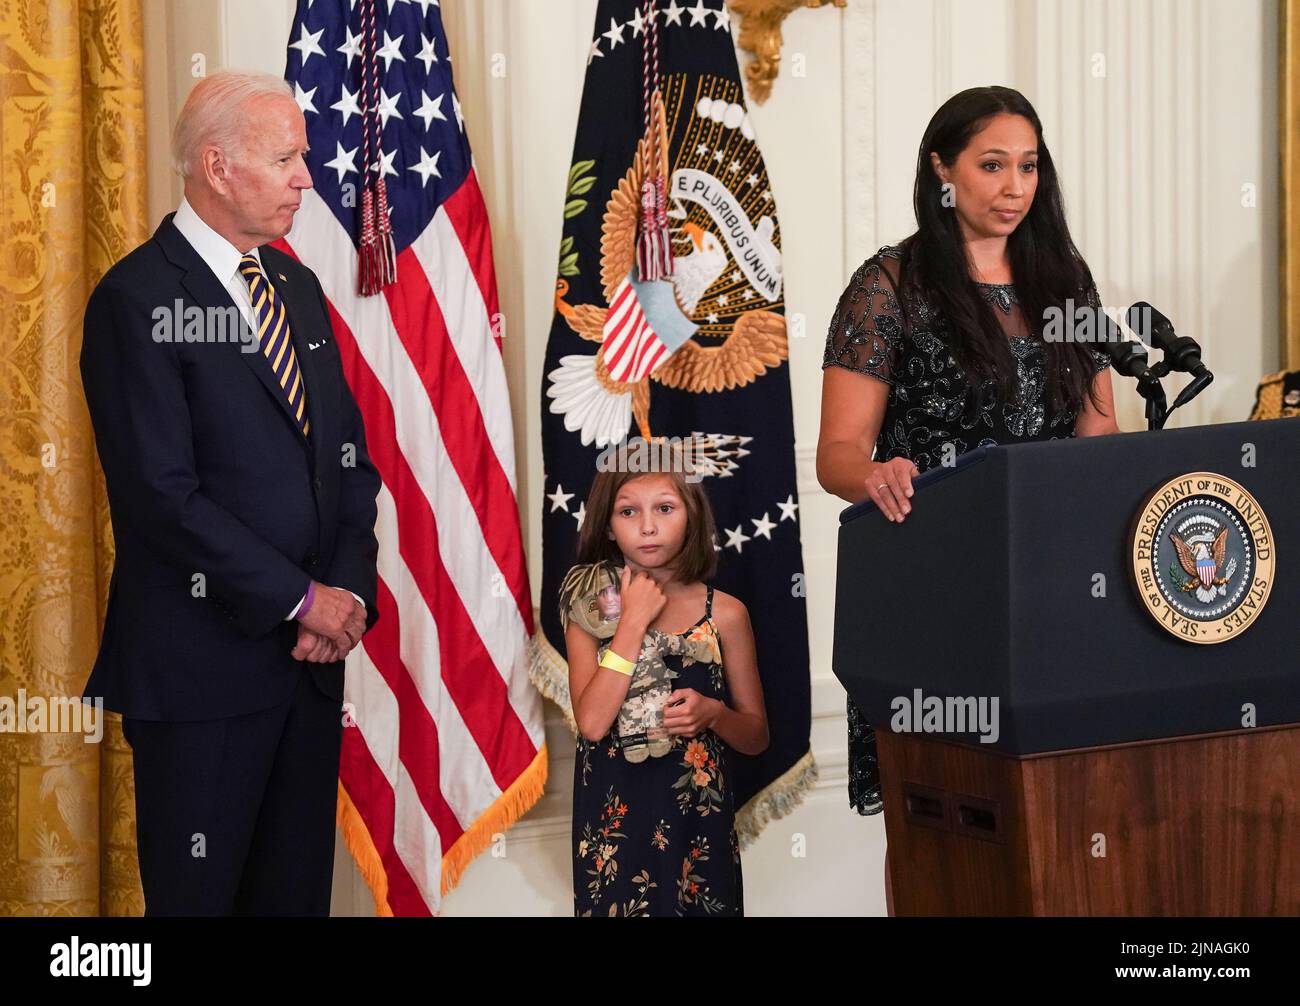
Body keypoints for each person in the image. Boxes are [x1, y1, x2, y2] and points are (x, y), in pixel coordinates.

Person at [79, 70, 380, 915]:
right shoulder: (135, 300)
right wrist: (300, 600)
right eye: (286, 158)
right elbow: (159, 498)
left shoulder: (296, 288)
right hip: (201, 680)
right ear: (217, 168)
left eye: (303, 157)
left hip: (309, 675)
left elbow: (349, 460)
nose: (305, 177)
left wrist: (347, 591)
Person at [815, 86, 1121, 911]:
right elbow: (838, 452)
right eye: (992, 165)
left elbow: (1101, 439)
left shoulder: (1064, 281)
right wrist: (875, 473)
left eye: (1028, 166)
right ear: (941, 169)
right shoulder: (890, 286)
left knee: (1063, 806)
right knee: (938, 820)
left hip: (1058, 587)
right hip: (935, 585)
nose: (1014, 186)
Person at [561, 458, 768, 916]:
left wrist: (714, 714)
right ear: (609, 526)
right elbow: (593, 723)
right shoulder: (588, 613)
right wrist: (632, 621)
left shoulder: (726, 613)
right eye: (629, 511)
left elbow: (756, 736)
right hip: (615, 829)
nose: (648, 527)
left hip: (700, 825)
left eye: (666, 508)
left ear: (692, 515)